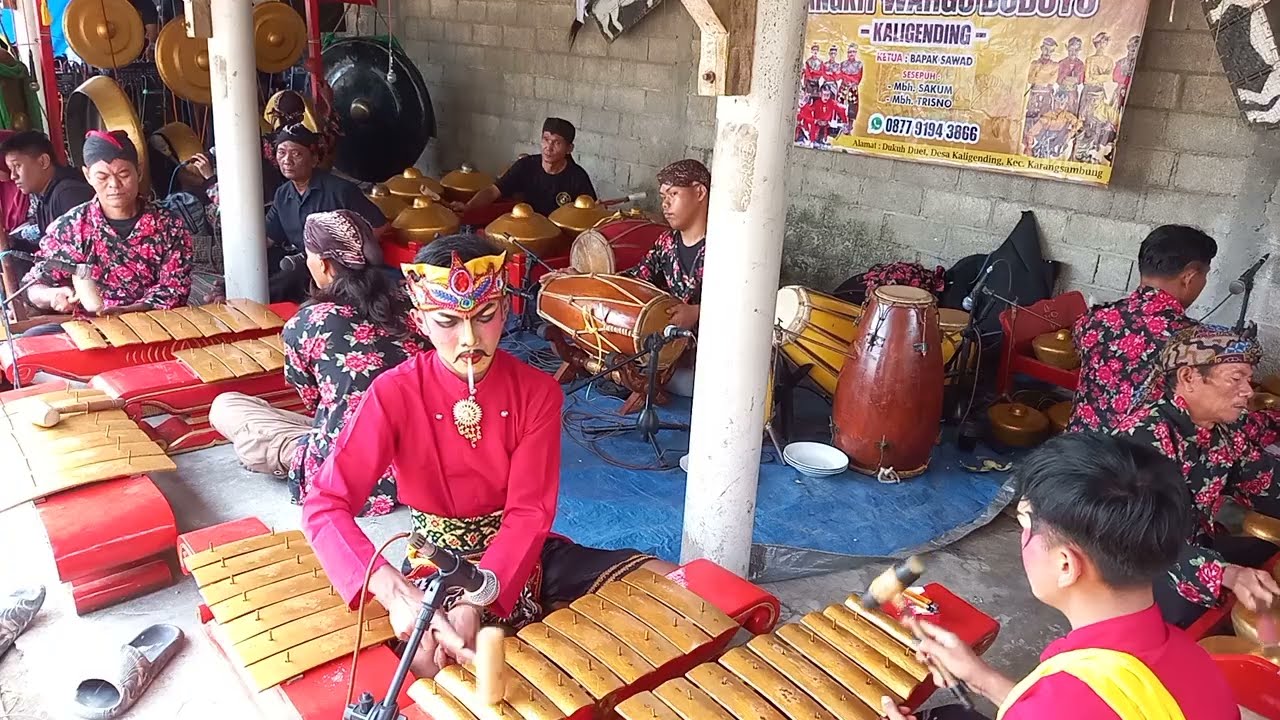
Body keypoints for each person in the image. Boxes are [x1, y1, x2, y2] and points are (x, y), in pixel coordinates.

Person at [301, 233, 674, 677]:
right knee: (428, 662)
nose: (469, 339)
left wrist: (477, 600)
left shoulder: (538, 392)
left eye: (485, 316)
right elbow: (323, 505)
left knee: (673, 584)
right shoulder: (392, 393)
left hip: (521, 555)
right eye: (447, 321)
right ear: (420, 319)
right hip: (432, 563)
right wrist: (394, 591)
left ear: (506, 309)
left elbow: (528, 512)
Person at [882, 432, 1240, 720]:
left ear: (1066, 565)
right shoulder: (1198, 664)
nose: (1022, 539)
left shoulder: (1060, 701)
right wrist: (982, 678)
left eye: (1026, 524)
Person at [208, 210, 427, 517]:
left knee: (226, 406)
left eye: (309, 256)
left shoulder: (308, 322)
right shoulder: (416, 304)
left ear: (323, 263)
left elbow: (311, 400)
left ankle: (283, 450)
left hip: (350, 477)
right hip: (421, 467)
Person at [1111, 325, 1280, 629]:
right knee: (1201, 622)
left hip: (1193, 542)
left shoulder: (1220, 431)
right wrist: (1226, 573)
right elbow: (1138, 537)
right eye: (1236, 378)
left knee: (1267, 553)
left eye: (1249, 379)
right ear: (1189, 377)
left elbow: (1266, 480)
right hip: (1135, 563)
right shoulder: (1143, 437)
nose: (1248, 391)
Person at [21, 130, 193, 323]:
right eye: (102, 177)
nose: (114, 185)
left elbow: (175, 290)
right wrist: (52, 295)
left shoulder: (169, 225)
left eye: (124, 174)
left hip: (155, 324)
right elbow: (33, 286)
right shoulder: (71, 228)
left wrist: (127, 311)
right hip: (92, 329)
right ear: (87, 176)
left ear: (139, 171)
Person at [1068, 225, 1217, 432]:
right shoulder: (1196, 342)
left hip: (1074, 452)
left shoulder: (1092, 318)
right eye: (1204, 276)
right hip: (1135, 460)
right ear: (1189, 277)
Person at [264, 124, 388, 302]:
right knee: (264, 263)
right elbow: (269, 236)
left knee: (285, 282)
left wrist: (347, 255)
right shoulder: (283, 194)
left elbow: (380, 225)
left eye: (296, 153)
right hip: (304, 262)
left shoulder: (341, 190)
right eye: (281, 152)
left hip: (334, 271)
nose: (287, 160)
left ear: (314, 159)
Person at [623, 159, 709, 330]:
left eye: (673, 194)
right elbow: (636, 279)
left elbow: (745, 303)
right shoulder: (666, 242)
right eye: (663, 197)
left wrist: (698, 313)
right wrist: (586, 277)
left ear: (699, 192)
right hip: (669, 346)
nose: (665, 204)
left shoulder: (726, 247)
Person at [453, 118, 596, 218]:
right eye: (546, 140)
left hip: (559, 238)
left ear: (569, 148)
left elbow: (589, 212)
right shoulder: (525, 166)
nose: (549, 147)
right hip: (525, 233)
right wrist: (468, 207)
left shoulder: (577, 177)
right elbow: (492, 192)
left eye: (557, 143)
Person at [0, 130, 95, 251]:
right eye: (10, 169)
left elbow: (83, 254)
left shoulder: (68, 194)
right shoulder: (44, 196)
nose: (13, 176)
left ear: (43, 161)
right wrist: (12, 243)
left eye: (17, 166)